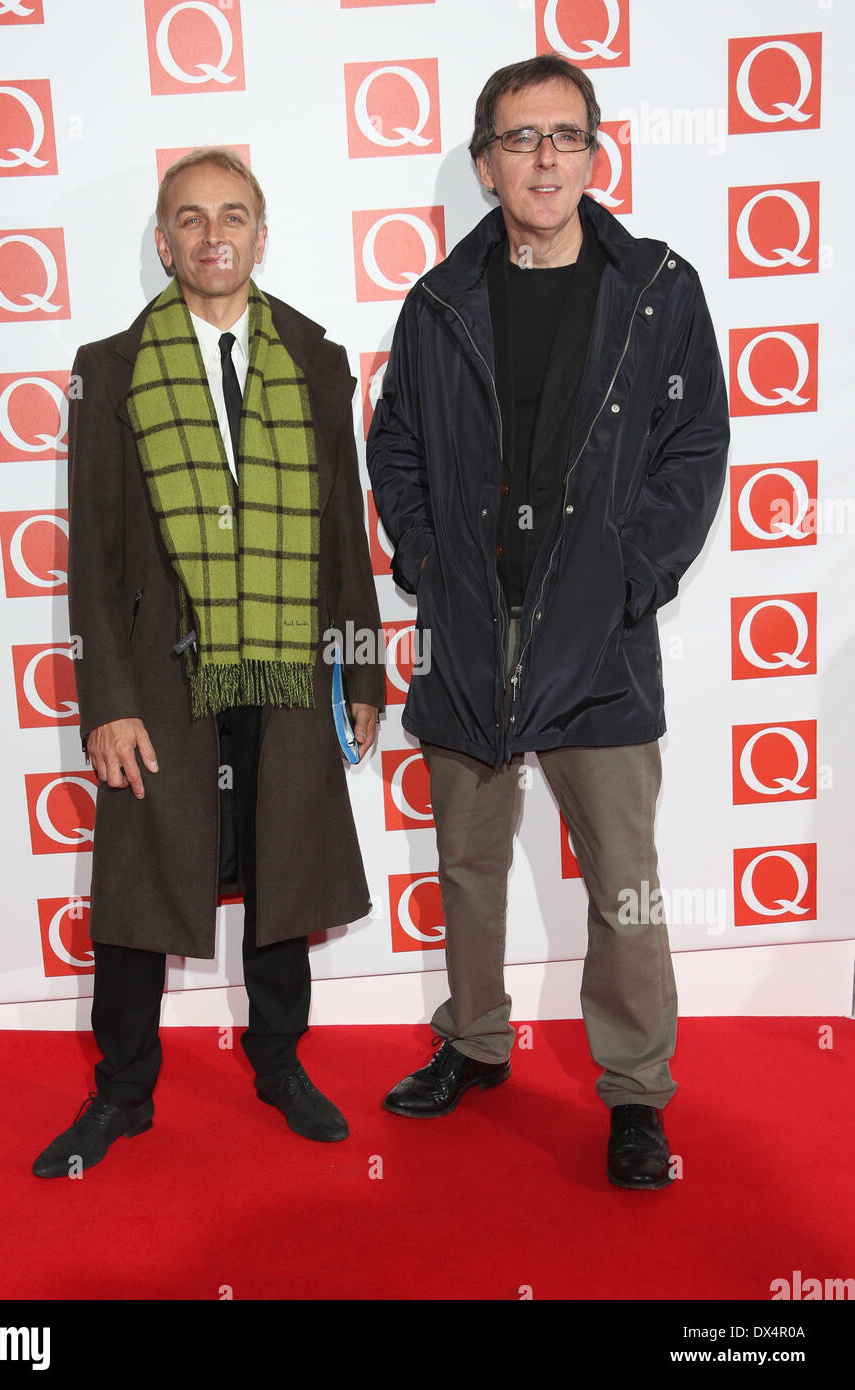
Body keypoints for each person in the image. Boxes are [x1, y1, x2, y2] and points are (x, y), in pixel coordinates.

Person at [367, 56, 729, 1189]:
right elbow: (396, 451)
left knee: (621, 879)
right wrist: (425, 561)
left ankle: (633, 1094)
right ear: (484, 164)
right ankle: (475, 1043)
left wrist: (632, 577)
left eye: (563, 137)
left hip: (598, 640)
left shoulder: (658, 288)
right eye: (519, 139)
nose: (543, 159)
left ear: (592, 153)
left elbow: (694, 446)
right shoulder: (436, 303)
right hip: (473, 632)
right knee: (467, 867)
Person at [33, 147, 383, 1177]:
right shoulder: (110, 368)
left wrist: (360, 670)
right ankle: (123, 1093)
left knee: (285, 863)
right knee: (141, 888)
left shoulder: (316, 361)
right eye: (189, 218)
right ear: (162, 241)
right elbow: (91, 549)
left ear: (261, 236)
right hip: (159, 670)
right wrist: (106, 698)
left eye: (233, 214)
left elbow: (341, 536)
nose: (212, 233)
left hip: (282, 666)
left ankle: (279, 1064)